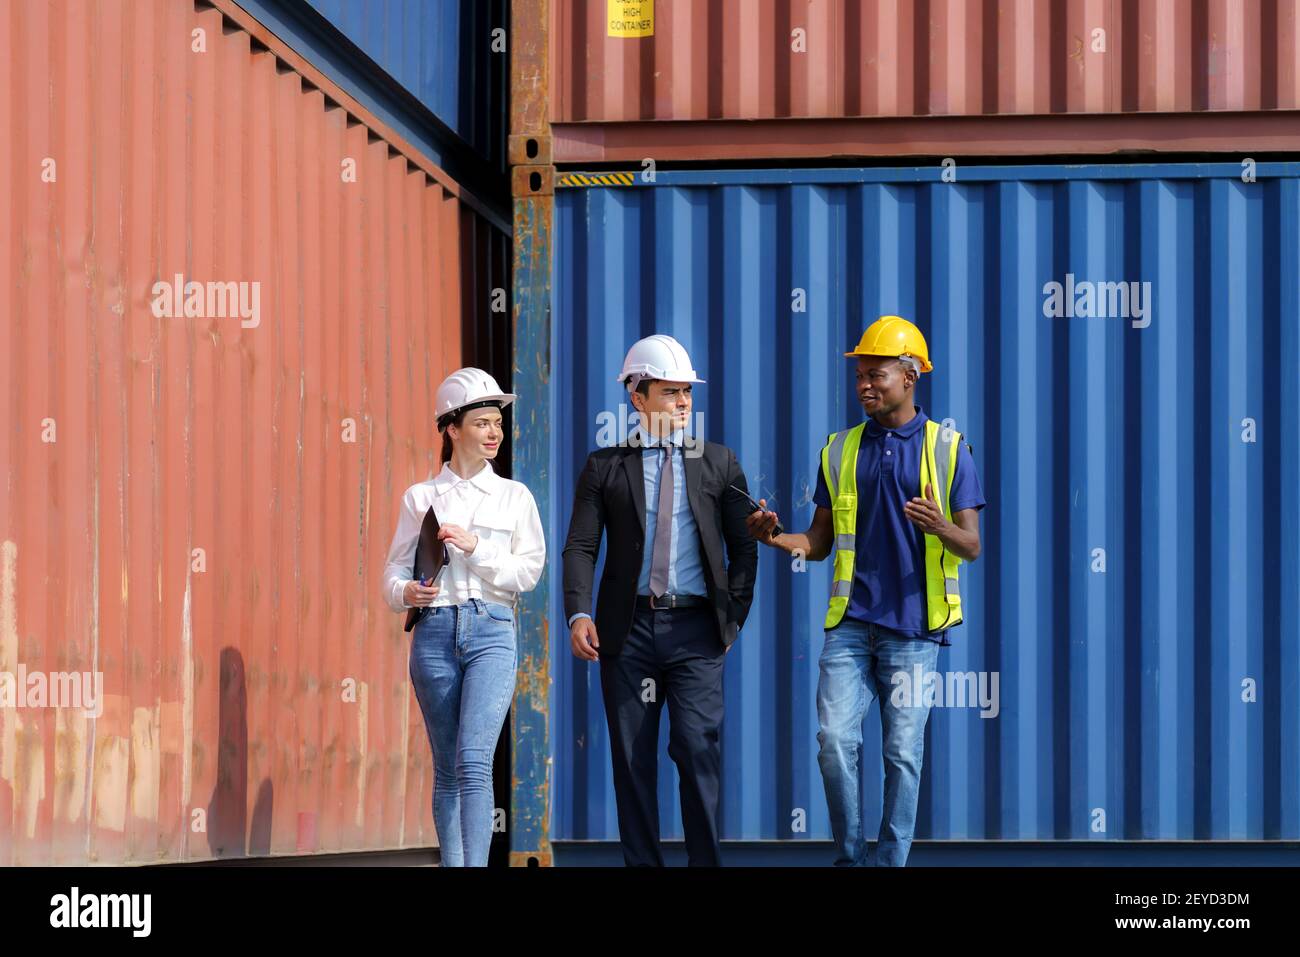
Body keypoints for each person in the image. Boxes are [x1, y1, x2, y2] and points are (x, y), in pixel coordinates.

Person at [746, 316, 985, 866]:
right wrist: (775, 536)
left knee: (902, 754)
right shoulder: (839, 450)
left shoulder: (949, 450)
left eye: (875, 375)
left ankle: (890, 863)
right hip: (850, 627)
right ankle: (851, 859)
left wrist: (940, 527)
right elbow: (821, 542)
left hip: (914, 629)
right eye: (859, 377)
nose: (864, 386)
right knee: (833, 745)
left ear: (910, 376)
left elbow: (971, 546)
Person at [563, 334, 758, 866]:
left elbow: (745, 547)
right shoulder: (605, 465)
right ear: (638, 398)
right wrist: (580, 612)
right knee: (632, 760)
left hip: (697, 634)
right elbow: (581, 545)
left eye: (687, 394)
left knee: (698, 751)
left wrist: (730, 621)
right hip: (628, 634)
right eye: (670, 392)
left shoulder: (719, 462)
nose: (682, 403)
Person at [382, 367, 545, 867]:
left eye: (498, 422)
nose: (495, 431)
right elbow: (391, 574)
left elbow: (529, 572)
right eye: (482, 422)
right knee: (449, 767)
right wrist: (405, 590)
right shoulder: (419, 497)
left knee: (475, 760)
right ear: (452, 428)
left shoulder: (516, 497)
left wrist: (476, 549)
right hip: (433, 635)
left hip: (492, 632)